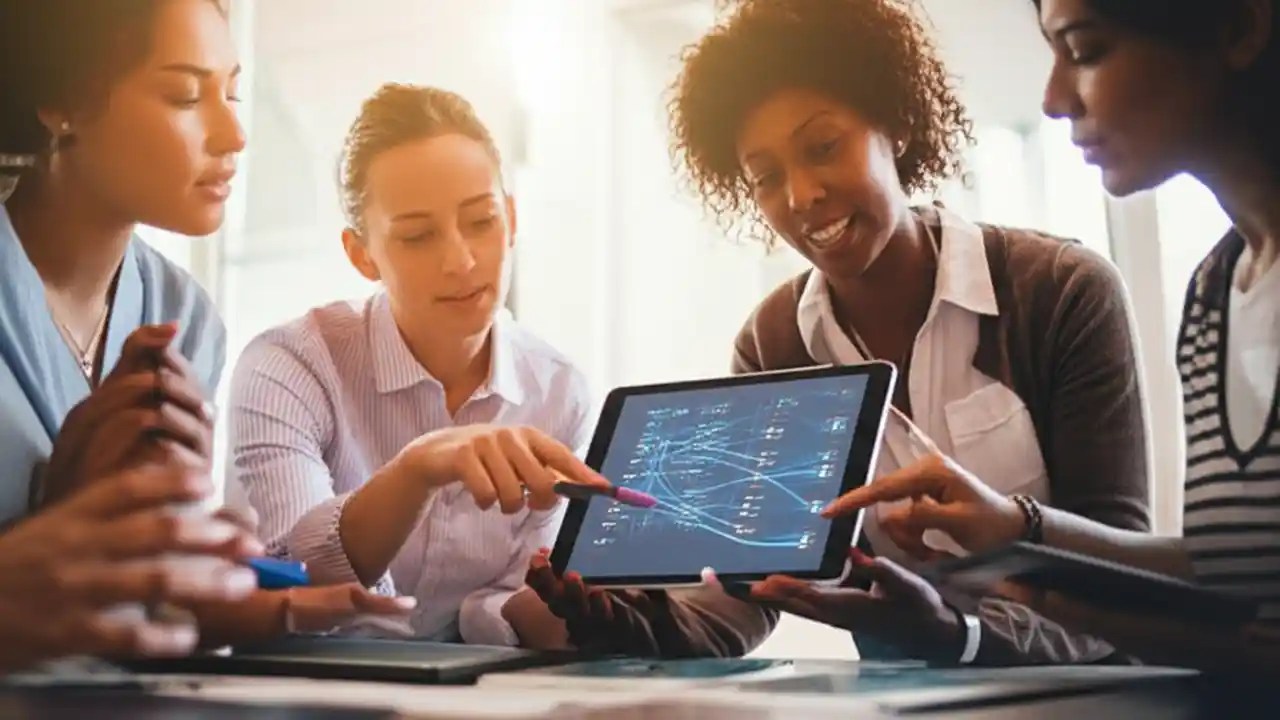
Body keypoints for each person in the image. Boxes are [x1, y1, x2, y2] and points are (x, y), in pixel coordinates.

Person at [527, 0, 1152, 666]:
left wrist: (961, 636)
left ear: (898, 124)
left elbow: (1121, 575)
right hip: (904, 702)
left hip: (1092, 694)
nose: (800, 196)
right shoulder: (773, 343)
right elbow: (751, 591)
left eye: (823, 148)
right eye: (767, 177)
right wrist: (638, 625)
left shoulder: (1059, 291)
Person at [823, 0, 1280, 677]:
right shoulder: (1217, 290)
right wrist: (1020, 530)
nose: (1054, 98)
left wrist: (968, 631)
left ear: (1239, 26)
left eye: (1086, 49)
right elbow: (1238, 571)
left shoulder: (1066, 287)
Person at [0, 0, 411, 666]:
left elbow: (143, 594)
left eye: (232, 93)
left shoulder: (183, 318)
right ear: (61, 101)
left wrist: (223, 599)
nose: (234, 134)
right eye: (184, 96)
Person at [228, 83, 616, 648]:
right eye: (417, 236)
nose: (460, 260)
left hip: (477, 688)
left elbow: (507, 606)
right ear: (361, 254)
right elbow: (295, 577)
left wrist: (602, 603)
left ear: (511, 217)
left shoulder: (559, 391)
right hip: (301, 684)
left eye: (481, 221)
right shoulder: (288, 367)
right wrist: (417, 471)